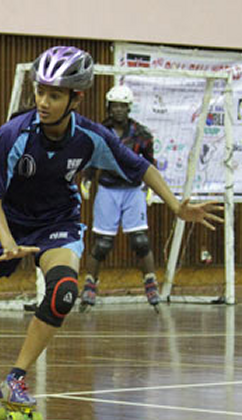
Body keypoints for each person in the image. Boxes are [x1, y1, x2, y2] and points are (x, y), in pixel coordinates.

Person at [0, 46, 223, 416]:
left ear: (75, 98)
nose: (43, 101)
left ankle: (14, 379)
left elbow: (140, 167)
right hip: (5, 224)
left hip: (57, 223)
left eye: (54, 94)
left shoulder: (90, 137)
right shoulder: (13, 133)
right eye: (40, 91)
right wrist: (8, 242)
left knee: (64, 292)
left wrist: (177, 206)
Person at [78, 85, 159, 312]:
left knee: (140, 240)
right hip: (108, 189)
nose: (119, 111)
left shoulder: (141, 135)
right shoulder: (99, 132)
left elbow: (150, 162)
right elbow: (91, 157)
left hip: (133, 190)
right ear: (108, 107)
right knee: (102, 243)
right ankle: (90, 284)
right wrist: (87, 179)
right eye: (115, 106)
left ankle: (150, 282)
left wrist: (151, 187)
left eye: (123, 106)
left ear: (129, 108)